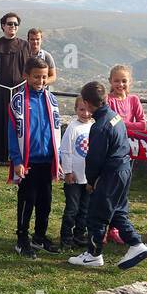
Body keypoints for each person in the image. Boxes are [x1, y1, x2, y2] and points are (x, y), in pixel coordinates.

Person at [67, 81, 147, 271]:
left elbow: (94, 159)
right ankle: (136, 244)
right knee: (116, 211)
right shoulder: (115, 117)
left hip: (110, 174)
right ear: (105, 98)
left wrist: (90, 181)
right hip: (124, 169)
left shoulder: (100, 127)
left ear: (87, 103)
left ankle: (94, 254)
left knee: (97, 214)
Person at [7, 58, 63, 257]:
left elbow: (56, 131)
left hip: (47, 162)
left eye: (44, 77)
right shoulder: (19, 101)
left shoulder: (52, 100)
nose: (41, 80)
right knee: (27, 200)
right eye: (36, 76)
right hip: (28, 163)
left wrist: (59, 159)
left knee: (45, 202)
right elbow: (13, 133)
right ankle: (22, 238)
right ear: (26, 76)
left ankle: (39, 236)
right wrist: (17, 160)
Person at [0, 13, 30, 168]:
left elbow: (29, 68)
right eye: (10, 24)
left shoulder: (25, 46)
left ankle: (18, 155)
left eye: (16, 24)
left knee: (18, 123)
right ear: (3, 26)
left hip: (19, 91)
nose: (13, 27)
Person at [59, 95, 94, 251]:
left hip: (88, 177)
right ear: (76, 110)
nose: (85, 113)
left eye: (88, 110)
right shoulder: (72, 128)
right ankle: (66, 238)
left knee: (85, 209)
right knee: (72, 209)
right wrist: (67, 172)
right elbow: (66, 151)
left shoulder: (94, 126)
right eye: (81, 109)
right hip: (73, 177)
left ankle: (79, 235)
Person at [107, 64, 146, 130]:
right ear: (110, 81)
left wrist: (120, 124)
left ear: (130, 81)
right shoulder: (108, 100)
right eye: (117, 81)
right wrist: (132, 126)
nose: (121, 84)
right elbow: (109, 124)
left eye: (124, 81)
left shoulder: (134, 99)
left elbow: (143, 125)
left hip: (131, 139)